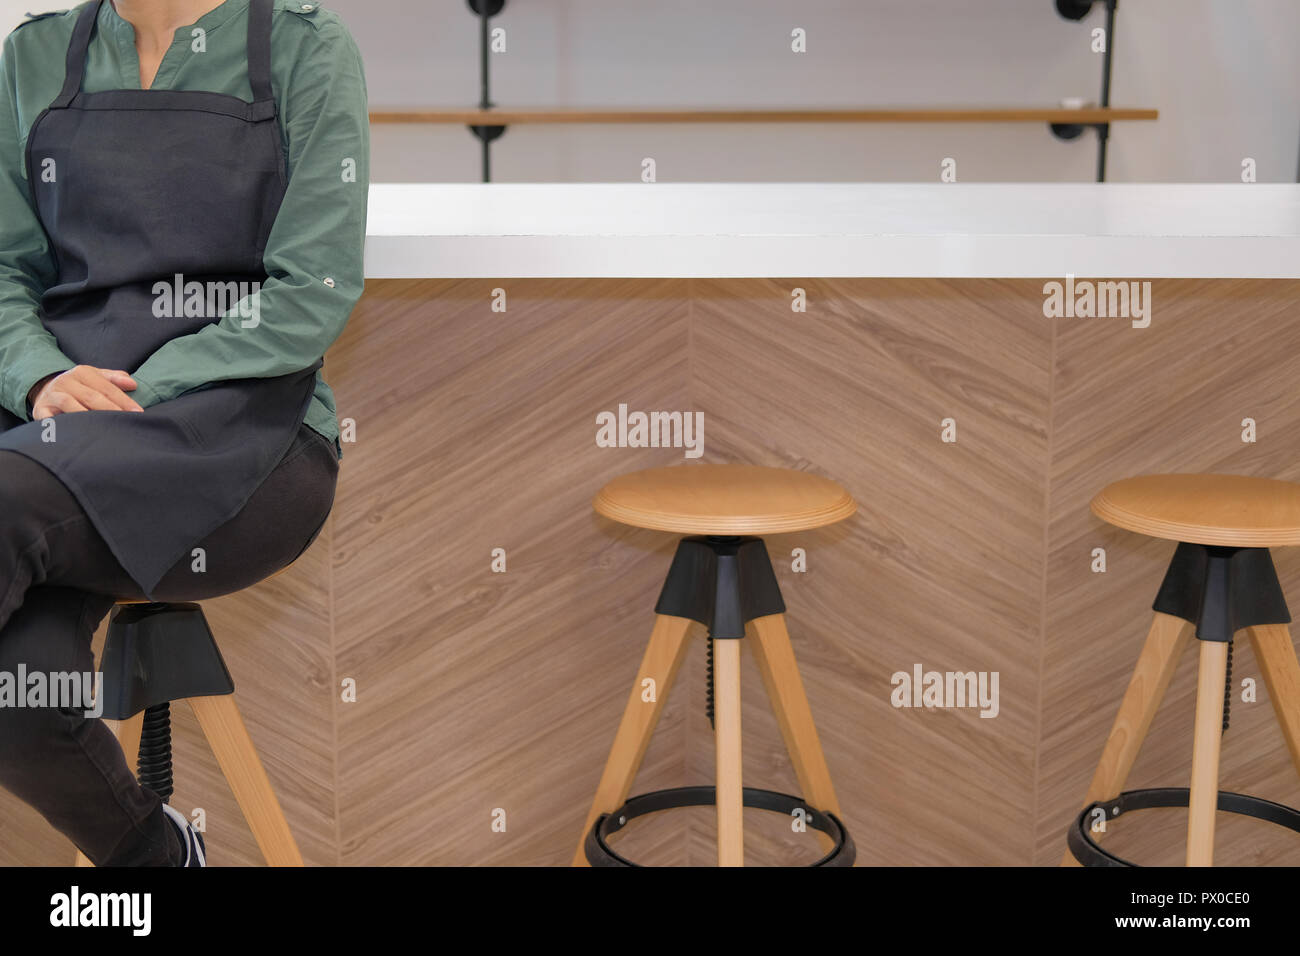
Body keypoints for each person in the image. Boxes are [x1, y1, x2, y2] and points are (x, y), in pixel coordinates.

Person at [0, 0, 368, 865]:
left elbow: (311, 290)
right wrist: (42, 378)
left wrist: (135, 391)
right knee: (17, 691)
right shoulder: (37, 53)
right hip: (56, 422)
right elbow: (4, 268)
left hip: (241, 433)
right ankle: (160, 862)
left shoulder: (304, 49)